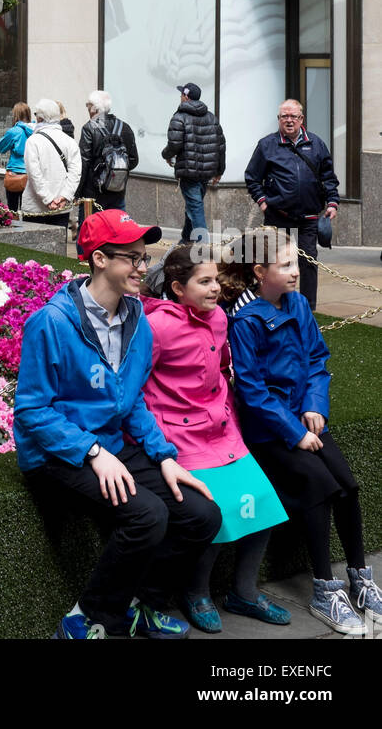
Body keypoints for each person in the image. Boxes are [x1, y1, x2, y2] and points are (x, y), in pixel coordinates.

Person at [15, 209, 221, 639]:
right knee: (147, 515)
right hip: (58, 454)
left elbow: (131, 401)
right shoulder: (50, 322)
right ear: (99, 259)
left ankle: (139, 606)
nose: (142, 268)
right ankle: (85, 620)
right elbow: (32, 413)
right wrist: (92, 453)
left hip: (111, 444)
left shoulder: (136, 319)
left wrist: (164, 457)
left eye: (144, 258)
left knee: (202, 515)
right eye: (132, 258)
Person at [225, 227, 382, 634]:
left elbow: (317, 358)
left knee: (347, 485)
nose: (297, 271)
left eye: (297, 263)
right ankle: (324, 590)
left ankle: (360, 578)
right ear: (259, 271)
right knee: (318, 486)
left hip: (304, 419)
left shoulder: (296, 303)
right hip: (271, 432)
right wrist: (294, 432)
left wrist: (315, 405)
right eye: (287, 265)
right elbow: (252, 391)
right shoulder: (245, 319)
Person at [141, 244, 290, 632]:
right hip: (179, 439)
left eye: (215, 281)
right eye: (203, 282)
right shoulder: (155, 326)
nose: (214, 289)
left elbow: (222, 376)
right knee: (215, 512)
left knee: (263, 502)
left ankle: (244, 592)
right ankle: (196, 593)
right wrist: (157, 441)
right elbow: (134, 387)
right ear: (177, 287)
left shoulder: (221, 317)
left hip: (224, 432)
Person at [244, 99, 338, 310]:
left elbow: (328, 177)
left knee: (308, 262)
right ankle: (273, 303)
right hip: (278, 215)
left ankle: (308, 308)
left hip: (308, 218)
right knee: (274, 262)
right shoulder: (267, 145)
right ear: (279, 120)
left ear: (301, 119)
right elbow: (252, 177)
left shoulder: (317, 144)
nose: (288, 120)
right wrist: (263, 203)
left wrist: (332, 202)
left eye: (292, 116)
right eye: (284, 116)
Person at [162, 82, 225, 245]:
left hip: (189, 172)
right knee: (193, 204)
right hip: (206, 172)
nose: (180, 97)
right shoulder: (211, 117)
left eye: (182, 94)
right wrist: (219, 170)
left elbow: (174, 144)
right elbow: (221, 146)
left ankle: (203, 249)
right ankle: (186, 239)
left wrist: (166, 154)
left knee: (195, 208)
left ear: (186, 97)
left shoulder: (179, 117)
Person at [77, 90, 138, 222]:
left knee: (88, 234)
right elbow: (133, 160)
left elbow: (84, 163)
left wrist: (78, 192)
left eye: (88, 105)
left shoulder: (89, 128)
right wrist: (114, 174)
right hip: (118, 191)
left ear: (94, 108)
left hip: (93, 193)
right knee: (118, 231)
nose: (87, 108)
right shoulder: (125, 127)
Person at [21, 99, 81, 230]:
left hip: (35, 207)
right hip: (61, 207)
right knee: (57, 248)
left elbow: (34, 174)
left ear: (40, 117)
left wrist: (48, 199)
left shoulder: (33, 141)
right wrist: (64, 196)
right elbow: (75, 173)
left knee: (32, 247)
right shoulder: (69, 141)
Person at [0, 102, 36, 213]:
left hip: (14, 175)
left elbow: (1, 147)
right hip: (31, 174)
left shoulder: (14, 131)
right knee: (29, 211)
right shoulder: (36, 130)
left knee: (12, 210)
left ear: (15, 115)